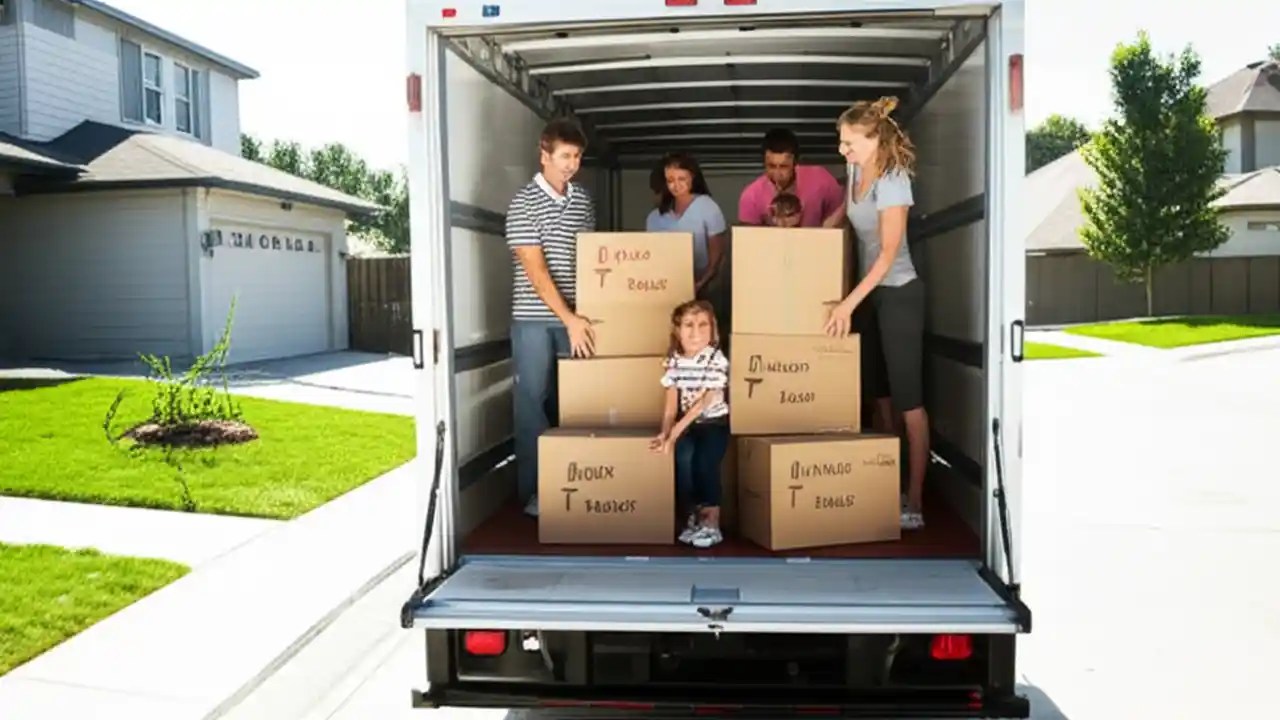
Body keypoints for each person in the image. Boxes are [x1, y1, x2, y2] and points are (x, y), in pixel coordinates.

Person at [822, 96, 929, 531]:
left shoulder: (894, 179)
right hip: (866, 294)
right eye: (841, 143)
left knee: (909, 400)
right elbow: (843, 216)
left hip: (898, 292)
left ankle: (916, 500)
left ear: (873, 139)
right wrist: (811, 240)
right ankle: (888, 479)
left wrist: (848, 302)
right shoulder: (854, 170)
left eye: (849, 143)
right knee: (878, 393)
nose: (842, 151)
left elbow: (886, 256)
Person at [505, 117, 597, 518]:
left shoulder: (583, 202)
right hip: (534, 321)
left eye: (577, 157)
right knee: (532, 405)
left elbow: (593, 261)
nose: (571, 164)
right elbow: (536, 272)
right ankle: (537, 492)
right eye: (564, 156)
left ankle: (574, 482)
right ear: (544, 154)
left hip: (575, 320)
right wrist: (570, 318)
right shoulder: (523, 203)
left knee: (573, 405)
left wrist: (583, 317)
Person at [651, 299, 730, 549]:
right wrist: (665, 434)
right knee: (682, 461)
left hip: (713, 423)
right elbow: (670, 405)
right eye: (689, 325)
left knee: (705, 462)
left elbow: (702, 404)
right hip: (685, 426)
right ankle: (691, 518)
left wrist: (674, 433)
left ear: (713, 329)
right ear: (677, 330)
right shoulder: (674, 361)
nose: (696, 332)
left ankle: (711, 523)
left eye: (703, 325)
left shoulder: (715, 359)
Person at [645, 152, 730, 345]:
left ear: (693, 177)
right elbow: (651, 257)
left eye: (682, 178)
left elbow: (717, 254)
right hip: (667, 290)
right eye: (670, 180)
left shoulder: (708, 207)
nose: (676, 185)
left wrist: (700, 284)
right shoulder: (654, 218)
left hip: (706, 288)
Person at [738, 128, 845, 228]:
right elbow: (748, 240)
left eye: (784, 166)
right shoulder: (751, 196)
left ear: (795, 163)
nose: (777, 173)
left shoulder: (821, 180)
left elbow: (843, 222)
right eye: (771, 166)